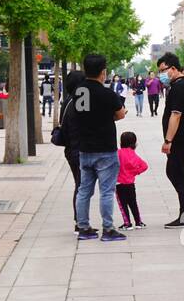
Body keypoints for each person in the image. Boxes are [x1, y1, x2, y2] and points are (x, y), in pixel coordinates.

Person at [74, 54, 129, 242]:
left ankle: (83, 228)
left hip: (84, 148)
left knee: (84, 190)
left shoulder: (79, 91)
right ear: (103, 72)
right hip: (105, 148)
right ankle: (108, 229)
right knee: (106, 191)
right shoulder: (106, 93)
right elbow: (120, 114)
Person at [156, 51, 184, 227]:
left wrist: (168, 141)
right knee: (179, 172)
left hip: (180, 139)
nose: (161, 75)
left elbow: (176, 115)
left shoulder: (180, 87)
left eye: (163, 70)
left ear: (173, 68)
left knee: (176, 172)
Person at [55, 70, 85, 230]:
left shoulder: (67, 101)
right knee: (82, 186)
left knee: (80, 185)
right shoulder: (79, 101)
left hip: (70, 148)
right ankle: (80, 223)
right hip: (78, 149)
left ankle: (79, 221)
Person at [116, 130, 149, 228]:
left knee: (123, 204)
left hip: (119, 183)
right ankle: (138, 222)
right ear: (134, 143)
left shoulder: (118, 153)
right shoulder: (133, 154)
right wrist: (134, 172)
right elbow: (144, 166)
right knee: (133, 203)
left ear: (121, 142)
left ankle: (127, 223)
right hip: (130, 183)